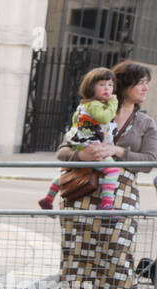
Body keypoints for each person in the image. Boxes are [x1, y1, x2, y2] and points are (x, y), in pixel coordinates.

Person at [56, 60, 157, 289]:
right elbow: (63, 150)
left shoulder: (145, 122)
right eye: (141, 82)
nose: (146, 88)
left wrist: (118, 151)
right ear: (124, 85)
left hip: (121, 195)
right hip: (83, 193)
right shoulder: (93, 110)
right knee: (78, 253)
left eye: (147, 82)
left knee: (119, 254)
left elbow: (150, 162)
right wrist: (81, 156)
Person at [39, 68, 121, 211]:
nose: (107, 88)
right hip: (90, 147)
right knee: (112, 170)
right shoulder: (95, 105)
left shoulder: (84, 104)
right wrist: (113, 103)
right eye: (101, 85)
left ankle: (48, 199)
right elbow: (104, 117)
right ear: (90, 87)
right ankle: (106, 203)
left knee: (72, 172)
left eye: (110, 85)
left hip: (79, 144)